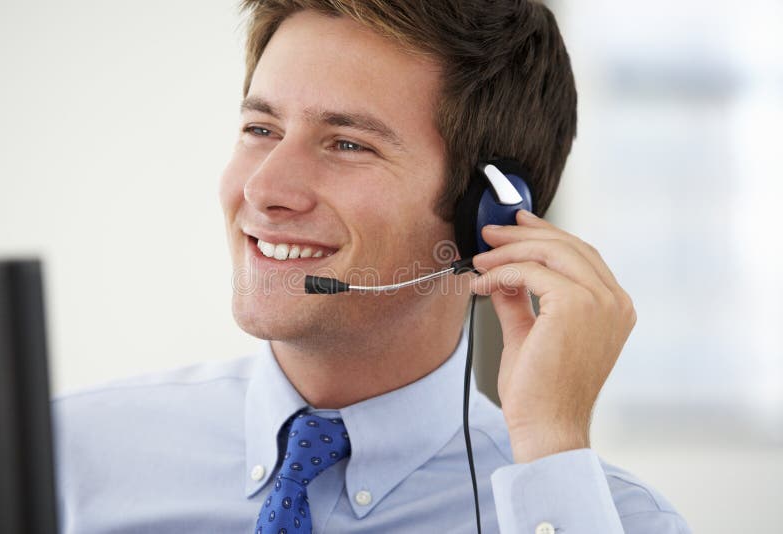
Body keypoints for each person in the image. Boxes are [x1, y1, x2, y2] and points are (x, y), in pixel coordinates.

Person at [53, 1, 692, 533]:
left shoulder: (613, 518)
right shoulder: (54, 457)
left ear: (485, 219)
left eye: (348, 144)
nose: (265, 189)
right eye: (261, 129)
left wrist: (551, 443)